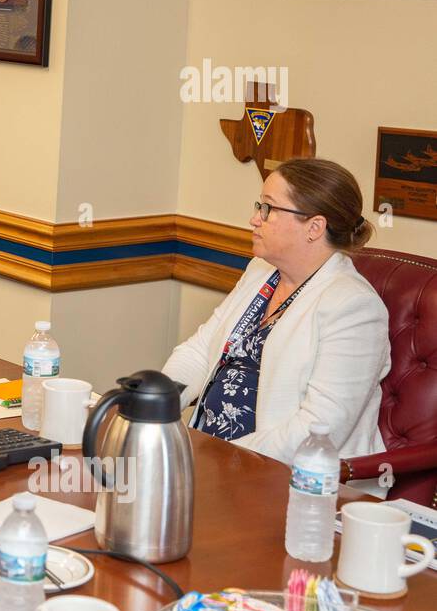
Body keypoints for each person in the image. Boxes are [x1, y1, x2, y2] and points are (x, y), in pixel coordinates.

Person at [162, 158, 389, 464]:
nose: (255, 219)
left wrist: (224, 457)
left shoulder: (354, 307)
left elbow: (319, 429)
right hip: (207, 455)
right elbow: (200, 352)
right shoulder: (261, 271)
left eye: (268, 209)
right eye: (259, 205)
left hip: (286, 477)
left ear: (314, 227)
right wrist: (156, 406)